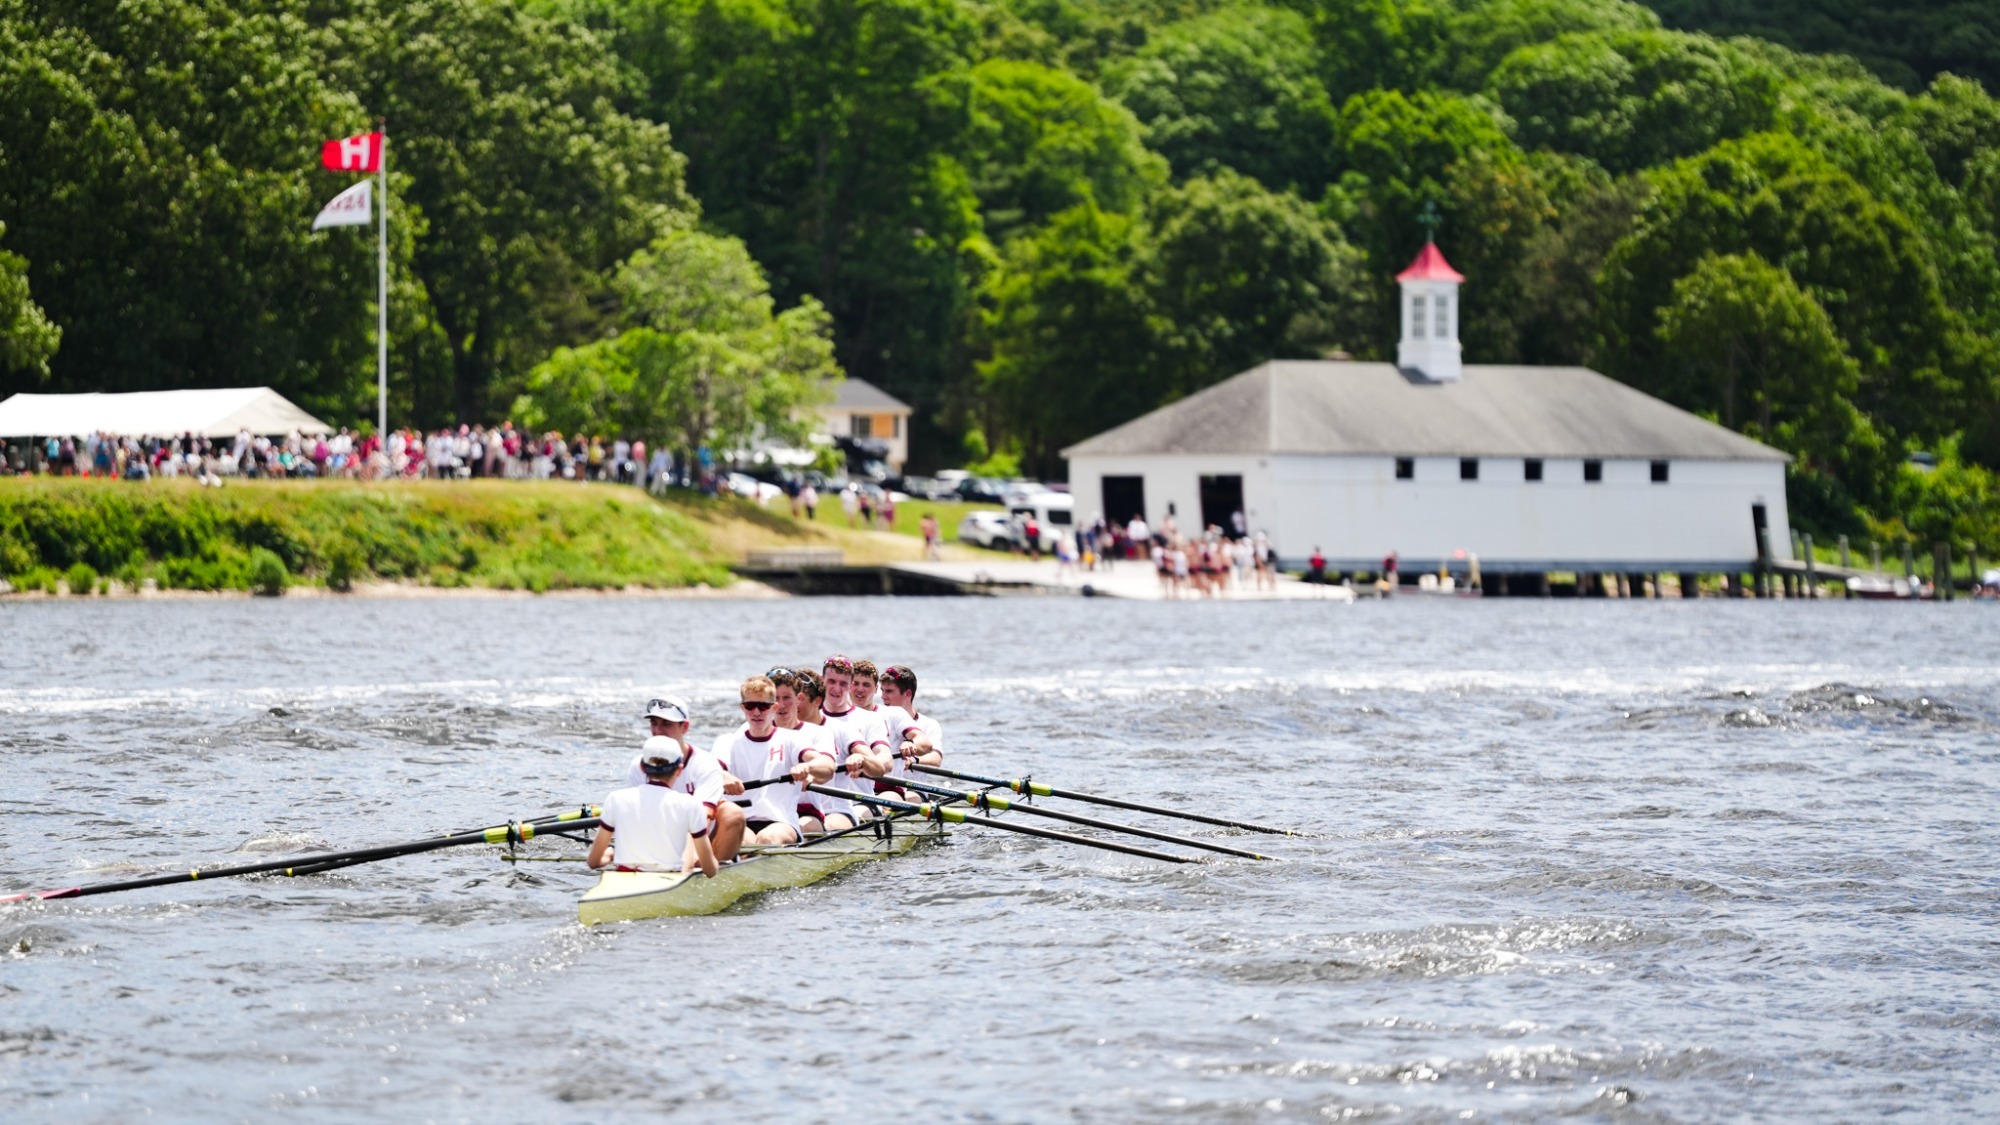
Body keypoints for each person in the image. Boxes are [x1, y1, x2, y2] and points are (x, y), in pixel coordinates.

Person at [712, 674, 833, 849]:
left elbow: (827, 767)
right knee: (743, 842)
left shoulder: (792, 739)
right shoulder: (727, 742)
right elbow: (709, 771)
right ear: (742, 707)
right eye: (750, 706)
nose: (756, 712)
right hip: (742, 821)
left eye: (763, 706)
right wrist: (722, 776)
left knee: (767, 838)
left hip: (781, 823)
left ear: (774, 707)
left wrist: (807, 766)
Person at [630, 698, 746, 864]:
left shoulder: (705, 763)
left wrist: (687, 858)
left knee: (733, 813)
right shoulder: (637, 765)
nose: (658, 730)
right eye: (654, 723)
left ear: (684, 727)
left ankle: (710, 868)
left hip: (701, 840)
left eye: (666, 724)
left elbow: (701, 818)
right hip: (660, 836)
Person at [586, 749, 719, 877]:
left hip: (626, 879)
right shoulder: (691, 803)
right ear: (679, 770)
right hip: (670, 880)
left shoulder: (616, 798)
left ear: (642, 768)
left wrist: (610, 854)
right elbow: (710, 871)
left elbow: (593, 862)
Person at [817, 655, 892, 820]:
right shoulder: (810, 719)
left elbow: (886, 760)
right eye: (831, 681)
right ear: (822, 681)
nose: (836, 689)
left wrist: (865, 761)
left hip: (860, 803)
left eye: (843, 684)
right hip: (818, 806)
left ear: (850, 685)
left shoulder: (870, 719)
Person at [873, 664, 941, 801]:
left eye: (889, 691)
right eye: (882, 691)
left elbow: (936, 759)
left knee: (898, 798)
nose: (883, 696)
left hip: (913, 789)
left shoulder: (928, 724)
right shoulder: (875, 719)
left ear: (907, 694)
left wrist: (914, 760)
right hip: (880, 787)